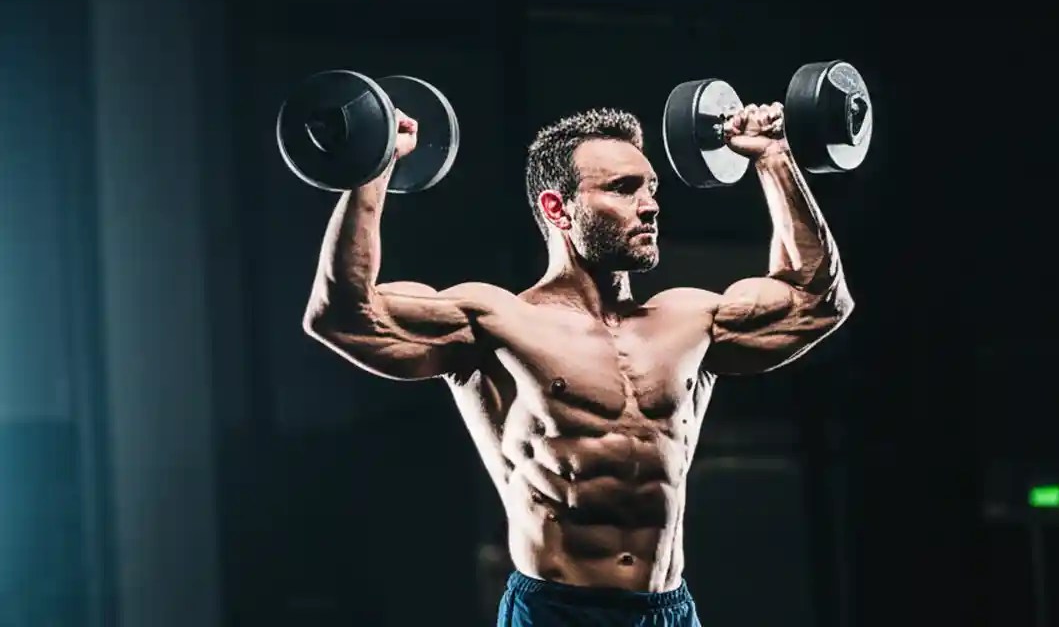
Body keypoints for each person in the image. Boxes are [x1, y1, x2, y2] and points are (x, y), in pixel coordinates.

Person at [302, 100, 854, 626]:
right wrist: (371, 169)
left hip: (667, 609)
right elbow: (345, 316)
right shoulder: (495, 321)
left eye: (651, 187)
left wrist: (774, 157)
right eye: (623, 188)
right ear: (557, 207)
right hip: (556, 610)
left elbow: (817, 301)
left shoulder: (689, 320)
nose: (651, 204)